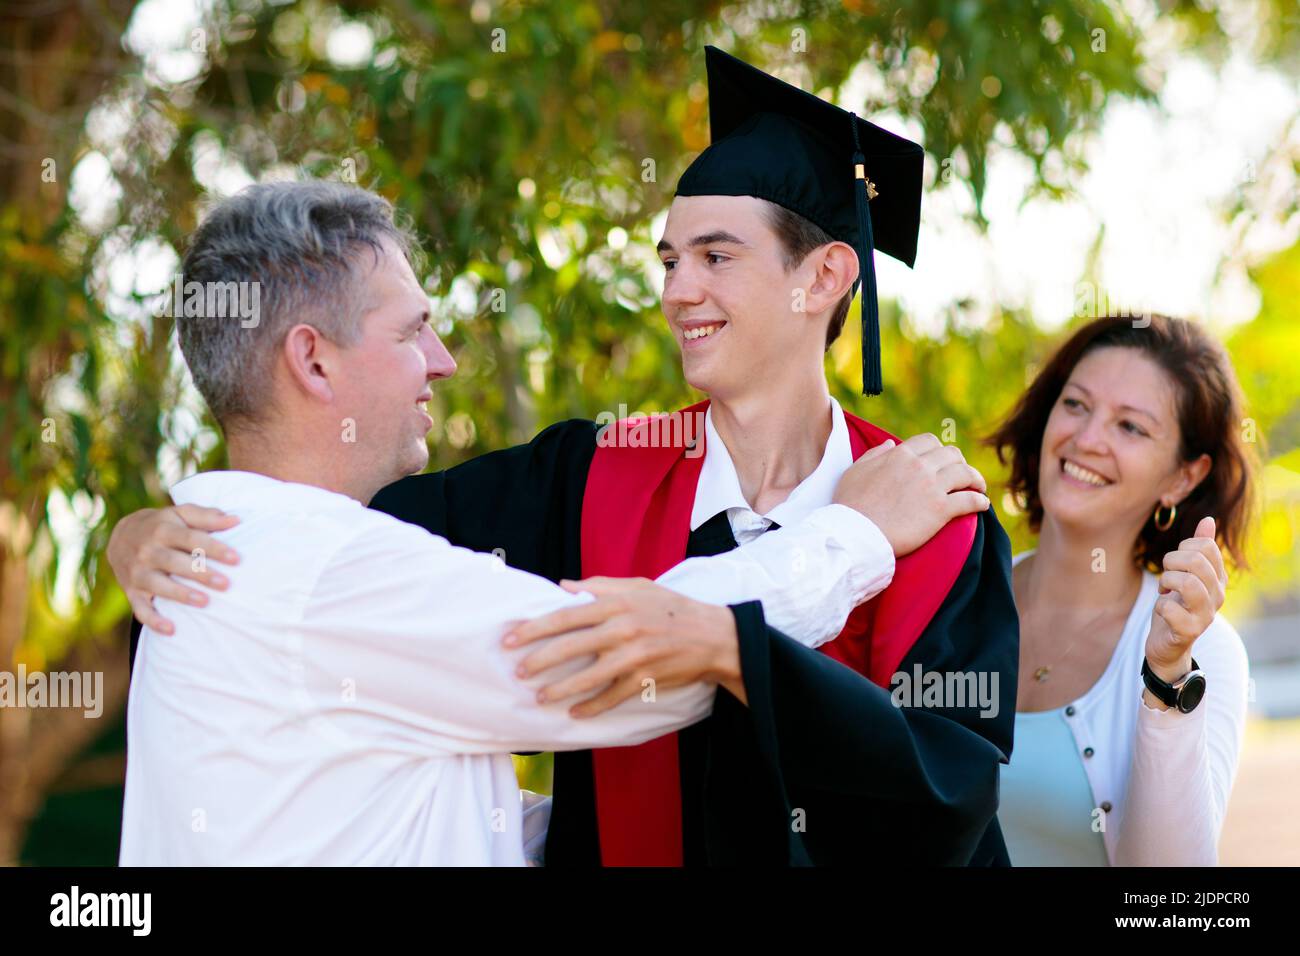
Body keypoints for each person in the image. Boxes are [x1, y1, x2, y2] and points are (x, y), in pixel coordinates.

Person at [110, 48, 1018, 867]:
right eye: (669, 259)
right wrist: (148, 528)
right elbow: (310, 516)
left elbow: (948, 800)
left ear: (822, 278)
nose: (676, 291)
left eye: (714, 255)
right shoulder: (584, 478)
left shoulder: (931, 515)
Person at [988, 314, 1254, 865]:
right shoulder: (949, 596)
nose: (1086, 440)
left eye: (1130, 427)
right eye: (1076, 405)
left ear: (1182, 478)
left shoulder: (1204, 653)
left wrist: (1167, 677)